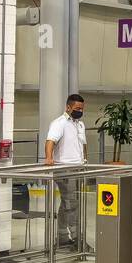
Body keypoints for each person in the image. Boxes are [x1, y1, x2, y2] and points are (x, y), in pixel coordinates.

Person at [44, 93, 86, 247]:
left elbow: (82, 145)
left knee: (69, 203)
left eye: (82, 108)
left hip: (79, 168)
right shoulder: (59, 123)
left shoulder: (79, 124)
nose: (80, 111)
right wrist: (49, 159)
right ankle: (76, 238)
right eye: (77, 108)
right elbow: (50, 141)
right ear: (68, 107)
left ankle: (62, 236)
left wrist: (85, 161)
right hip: (65, 169)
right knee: (71, 203)